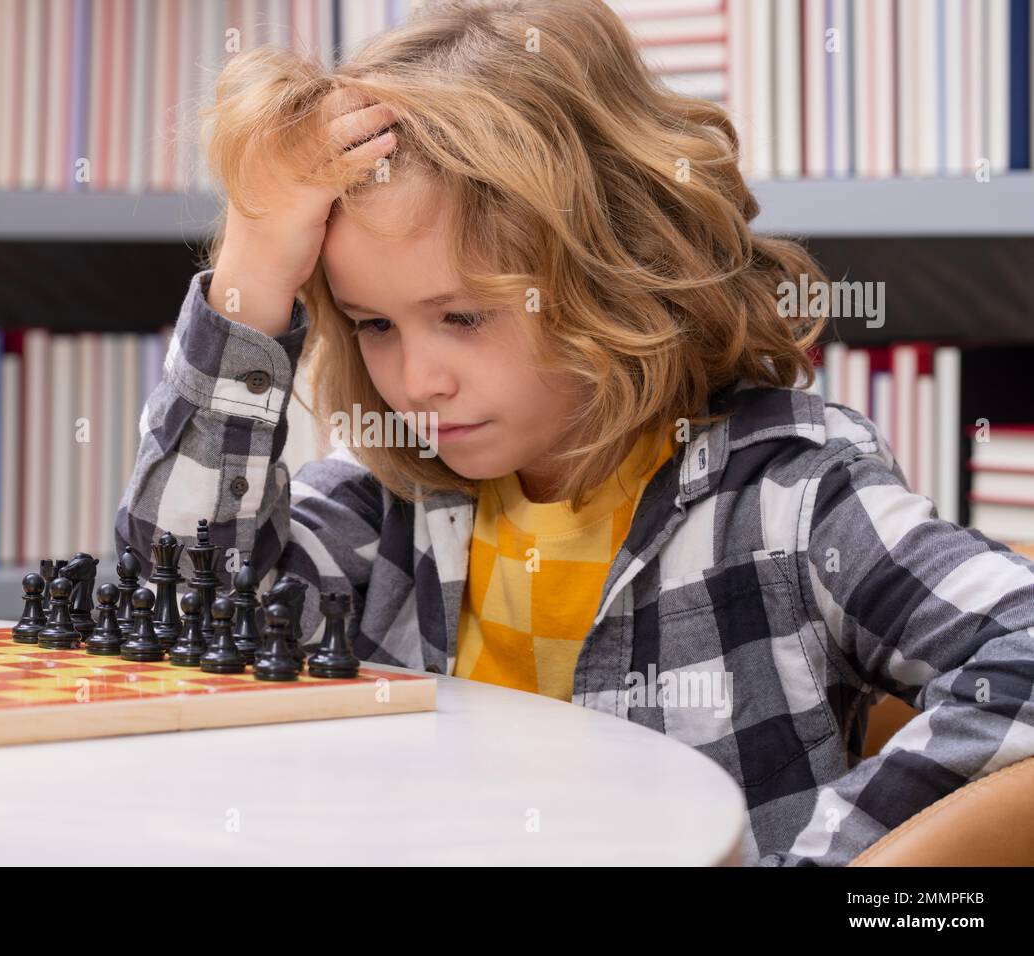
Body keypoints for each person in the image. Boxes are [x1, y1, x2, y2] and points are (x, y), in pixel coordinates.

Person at [116, 0, 1034, 865]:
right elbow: (176, 611)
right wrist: (250, 279)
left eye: (465, 317)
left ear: (615, 273)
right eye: (375, 324)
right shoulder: (390, 496)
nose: (418, 381)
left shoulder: (792, 497)